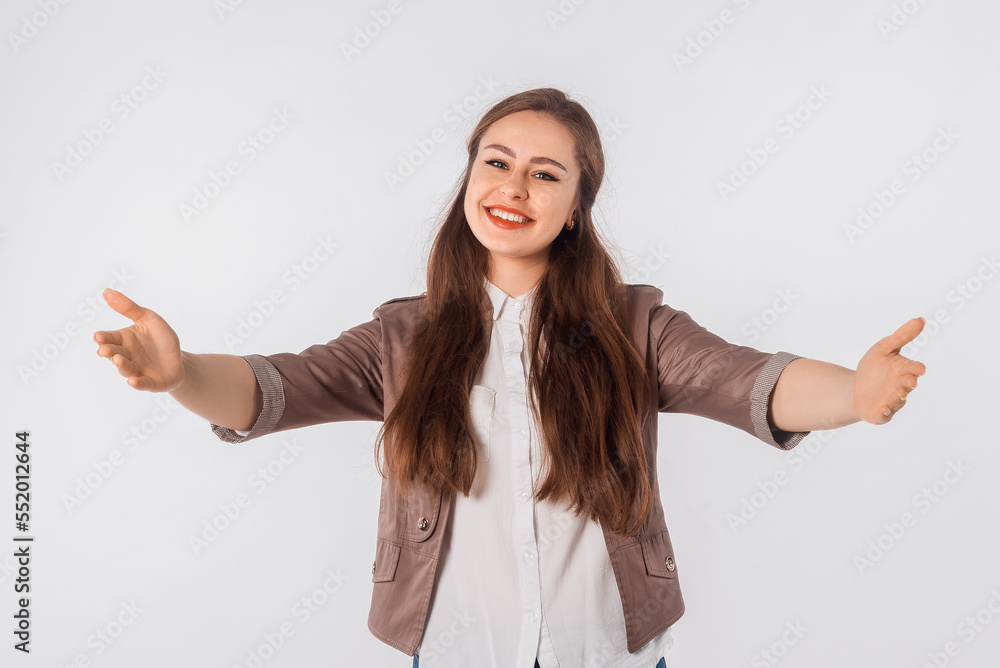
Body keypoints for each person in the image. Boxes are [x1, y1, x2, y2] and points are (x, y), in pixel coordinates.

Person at [93, 88, 926, 667]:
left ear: (576, 209)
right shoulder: (402, 337)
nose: (514, 187)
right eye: (497, 163)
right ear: (470, 179)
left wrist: (854, 394)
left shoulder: (633, 324)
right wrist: (182, 373)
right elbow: (273, 390)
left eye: (546, 174)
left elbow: (750, 381)